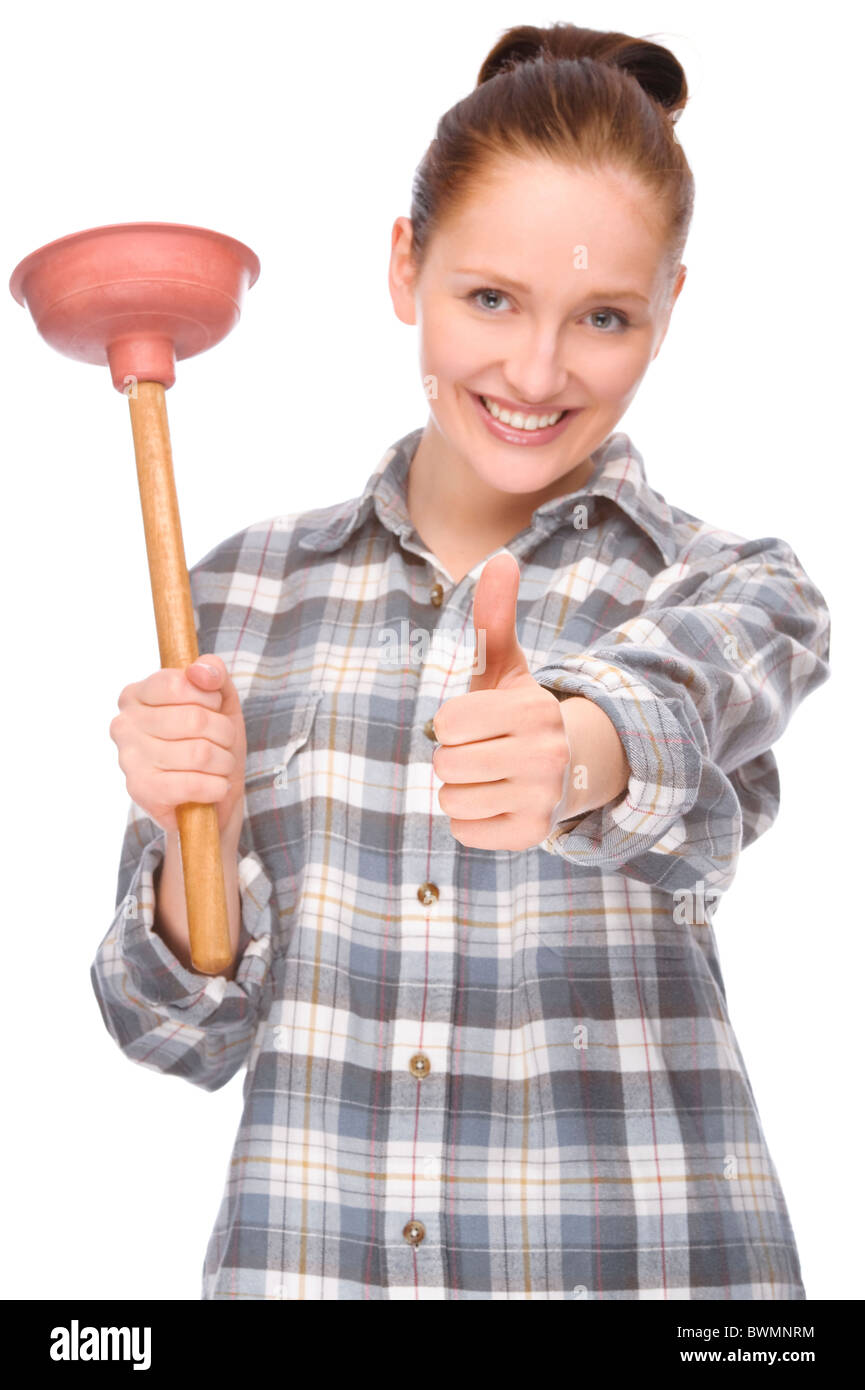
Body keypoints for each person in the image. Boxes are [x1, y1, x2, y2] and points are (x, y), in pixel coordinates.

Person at [91, 21, 831, 1300]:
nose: (536, 372)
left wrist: (577, 747)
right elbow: (177, 1035)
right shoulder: (236, 594)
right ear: (404, 265)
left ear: (670, 311)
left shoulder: (736, 585)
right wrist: (179, 844)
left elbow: (674, 701)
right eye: (488, 298)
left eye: (602, 316)